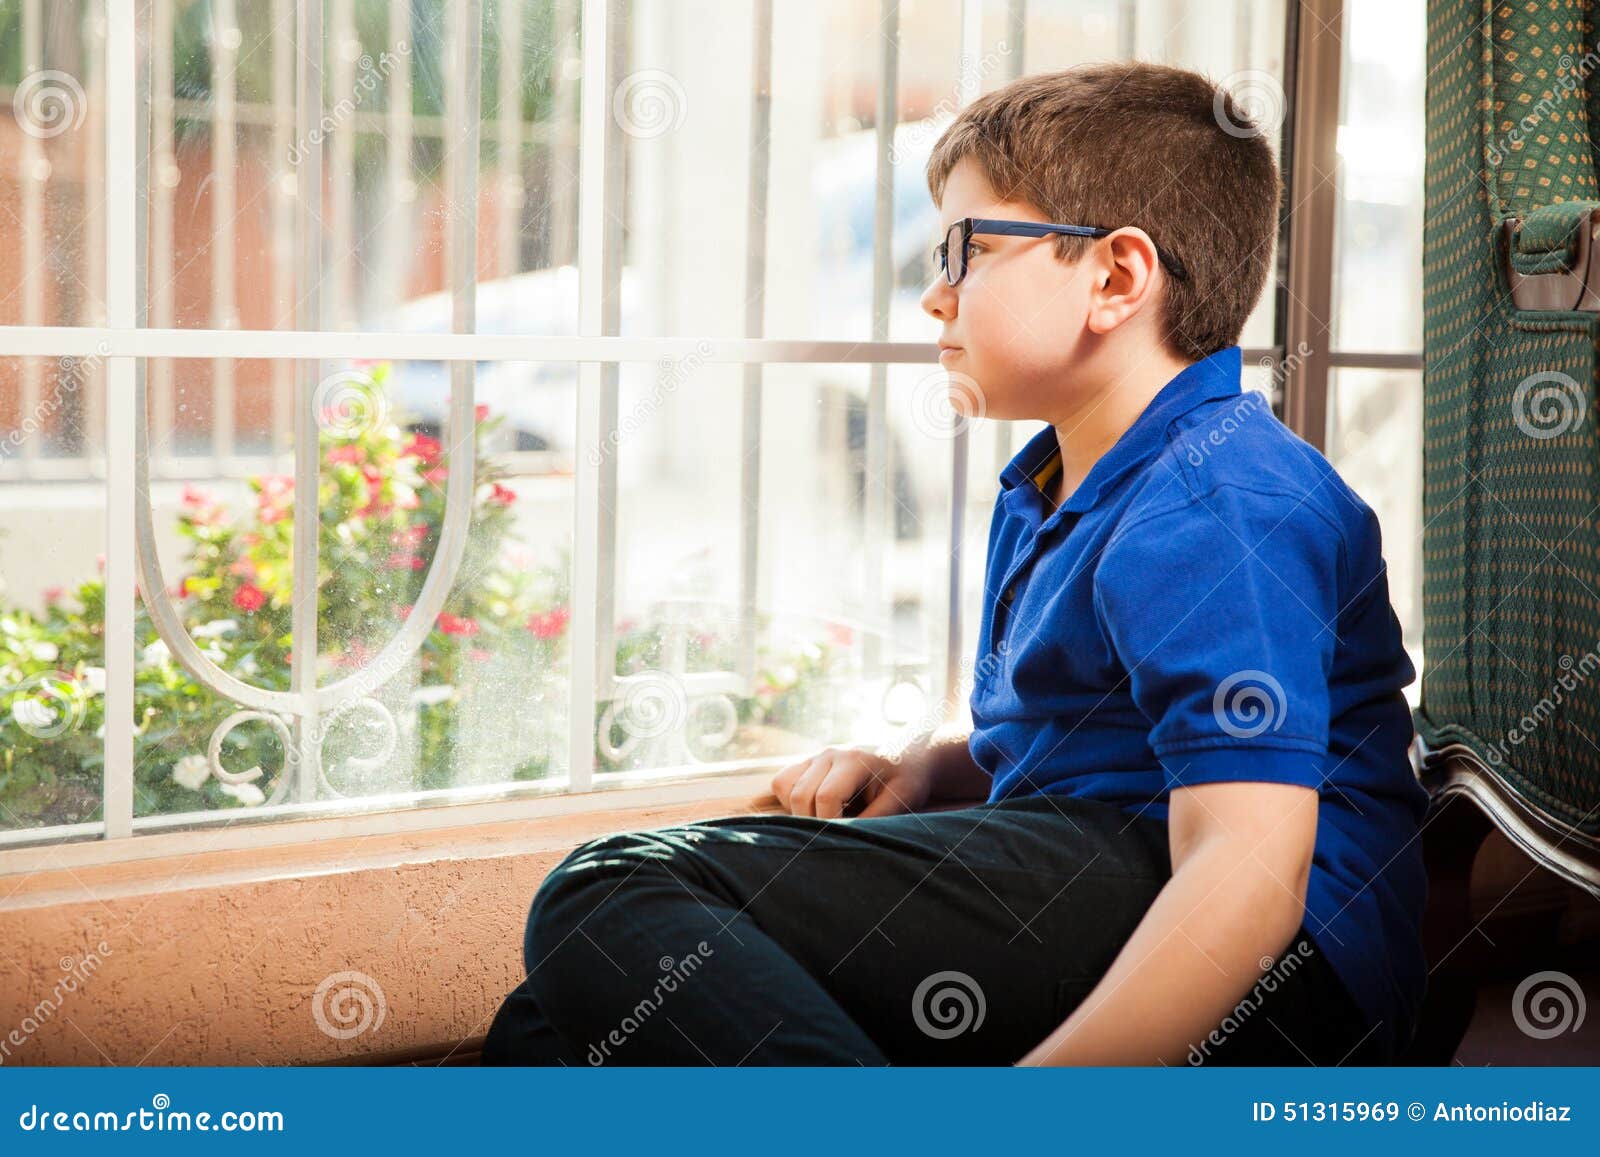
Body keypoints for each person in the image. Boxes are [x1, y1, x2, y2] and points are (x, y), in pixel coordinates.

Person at [481, 59, 1427, 1067]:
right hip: (1095, 884)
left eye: (968, 251)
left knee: (606, 894)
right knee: (552, 1023)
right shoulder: (1053, 486)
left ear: (1115, 278)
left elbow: (1248, 863)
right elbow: (1092, 741)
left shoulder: (1219, 495)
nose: (935, 295)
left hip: (1274, 985)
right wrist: (933, 770)